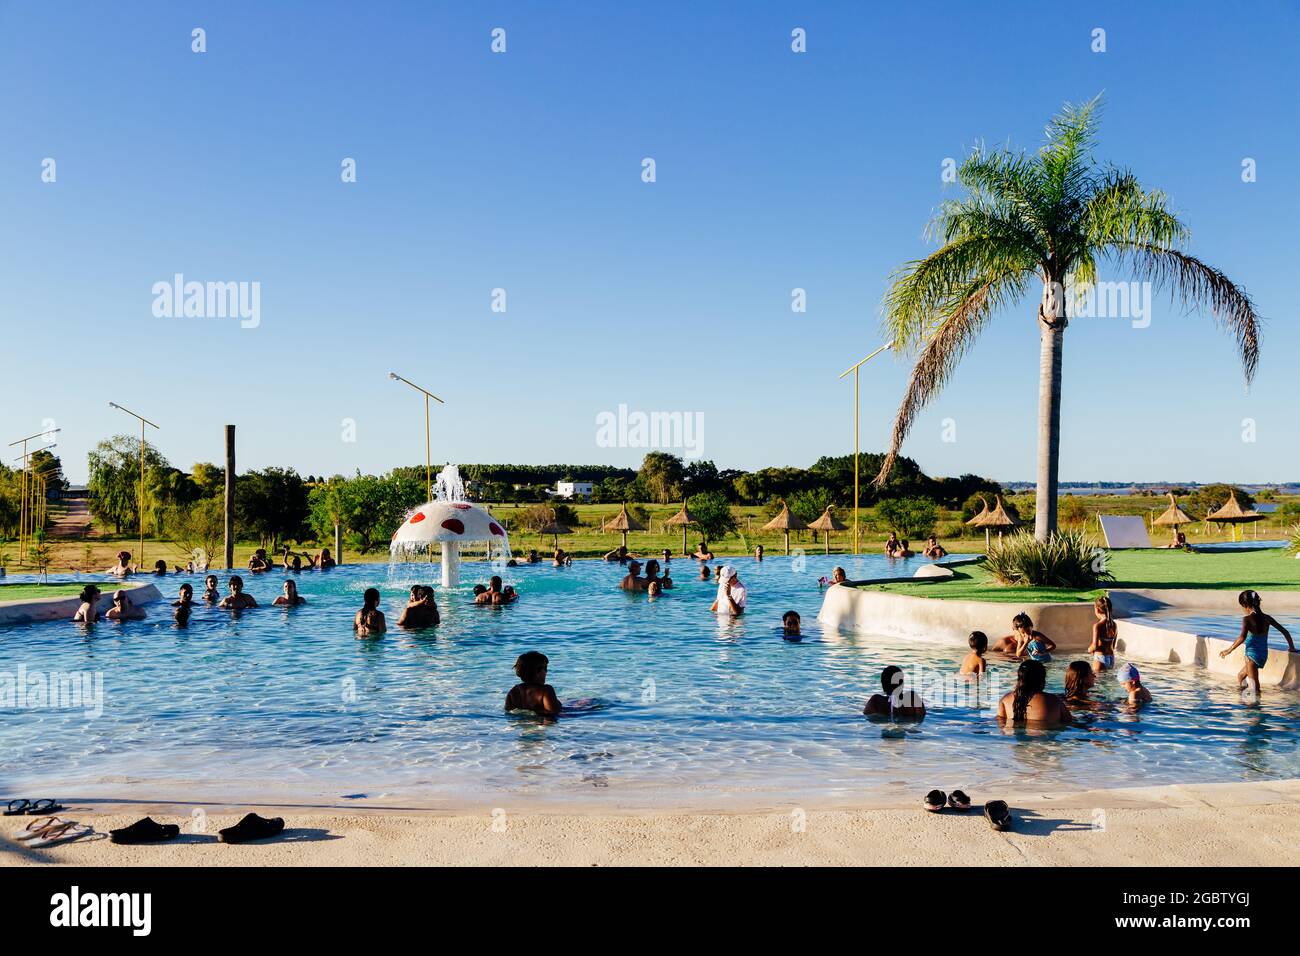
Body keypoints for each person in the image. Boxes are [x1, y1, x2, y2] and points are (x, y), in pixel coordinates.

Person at [1220, 589, 1295, 698]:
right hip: (1262, 655)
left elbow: (1242, 637)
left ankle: (1255, 710)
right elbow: (1285, 632)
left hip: (1252, 657)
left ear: (1245, 605)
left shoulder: (1247, 619)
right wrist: (1291, 647)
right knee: (1241, 676)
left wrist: (1229, 650)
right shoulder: (1267, 618)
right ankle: (1243, 697)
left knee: (1254, 687)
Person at [997, 660, 1072, 725]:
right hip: (1045, 739)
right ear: (1042, 680)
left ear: (1019, 679)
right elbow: (1069, 721)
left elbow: (1000, 724)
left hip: (1010, 740)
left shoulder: (1005, 699)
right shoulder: (1054, 701)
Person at [504, 651, 562, 717]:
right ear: (537, 672)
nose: (546, 671)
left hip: (523, 725)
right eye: (545, 668)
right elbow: (554, 714)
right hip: (542, 724)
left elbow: (508, 713)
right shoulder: (545, 690)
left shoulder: (513, 691)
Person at [1089, 596, 1118, 672]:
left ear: (1097, 609)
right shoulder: (1114, 625)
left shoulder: (1097, 626)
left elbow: (1095, 646)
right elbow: (1113, 646)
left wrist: (1089, 649)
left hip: (1100, 658)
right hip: (1111, 658)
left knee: (1098, 683)